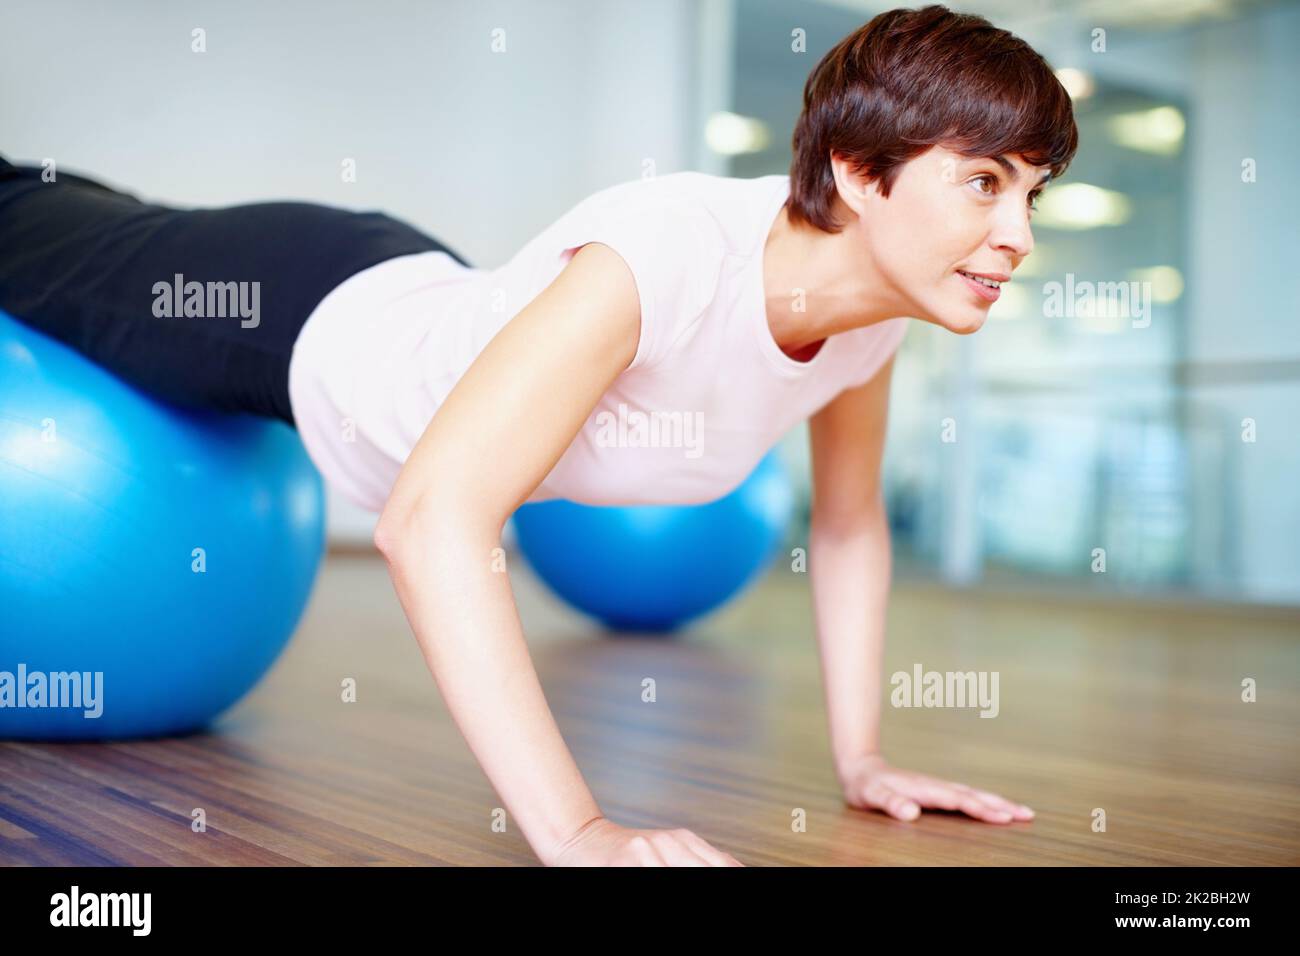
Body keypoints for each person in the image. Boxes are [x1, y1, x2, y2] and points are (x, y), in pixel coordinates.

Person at [0, 4, 1077, 865]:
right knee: (26, 227)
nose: (1017, 235)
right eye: (983, 182)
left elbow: (846, 530)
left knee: (100, 219)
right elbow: (429, 524)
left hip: (410, 278)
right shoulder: (668, 258)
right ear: (854, 168)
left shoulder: (869, 327)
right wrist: (574, 831)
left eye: (1032, 192)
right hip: (289, 310)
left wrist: (864, 757)